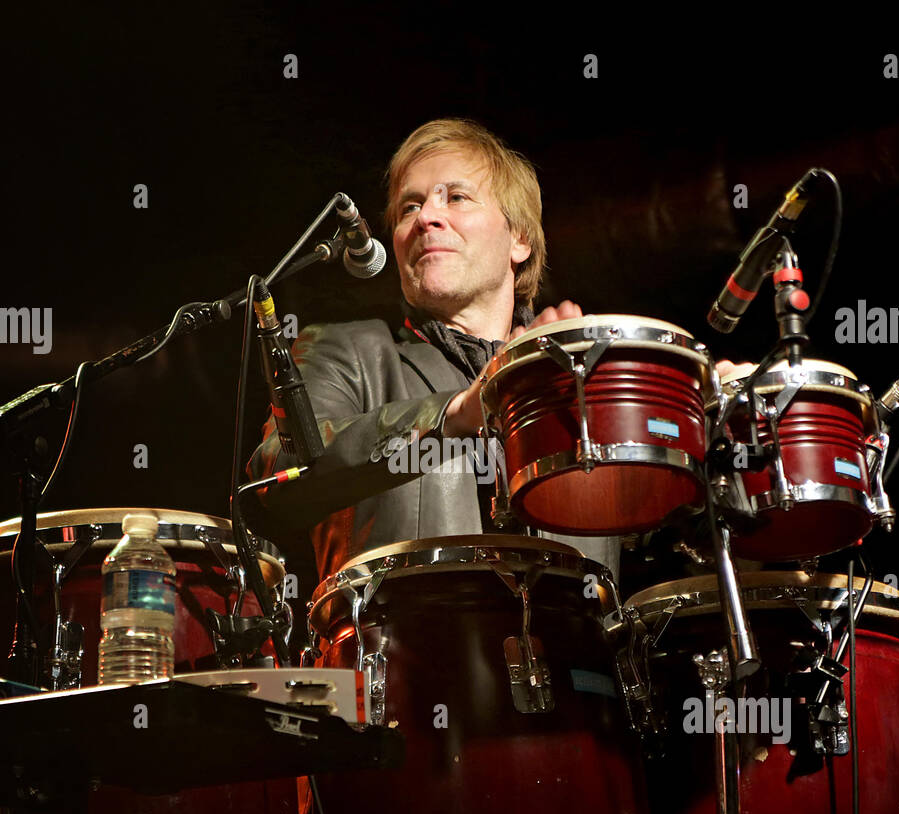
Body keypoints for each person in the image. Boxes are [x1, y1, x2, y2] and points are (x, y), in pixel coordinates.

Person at [246, 118, 621, 583]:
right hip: (404, 650)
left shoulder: (584, 372)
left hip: (572, 651)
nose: (425, 217)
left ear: (519, 239)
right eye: (409, 207)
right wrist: (457, 413)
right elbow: (278, 477)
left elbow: (655, 506)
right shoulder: (344, 350)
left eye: (457, 197)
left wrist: (715, 425)